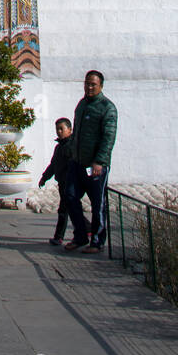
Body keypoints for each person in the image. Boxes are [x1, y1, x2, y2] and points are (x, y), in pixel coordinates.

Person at [65, 70, 117, 254]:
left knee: (98, 204)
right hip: (77, 162)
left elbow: (108, 138)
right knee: (70, 196)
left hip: (95, 166)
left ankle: (97, 240)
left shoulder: (107, 108)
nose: (89, 87)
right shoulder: (82, 104)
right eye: (87, 83)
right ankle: (80, 235)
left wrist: (99, 161)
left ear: (100, 86)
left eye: (93, 84)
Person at [39, 117, 73, 245]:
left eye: (61, 129)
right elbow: (53, 165)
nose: (59, 132)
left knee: (64, 210)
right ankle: (87, 229)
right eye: (57, 129)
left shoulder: (72, 147)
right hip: (62, 183)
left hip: (70, 183)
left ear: (70, 130)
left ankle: (59, 236)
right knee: (71, 209)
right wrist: (44, 177)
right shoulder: (58, 148)